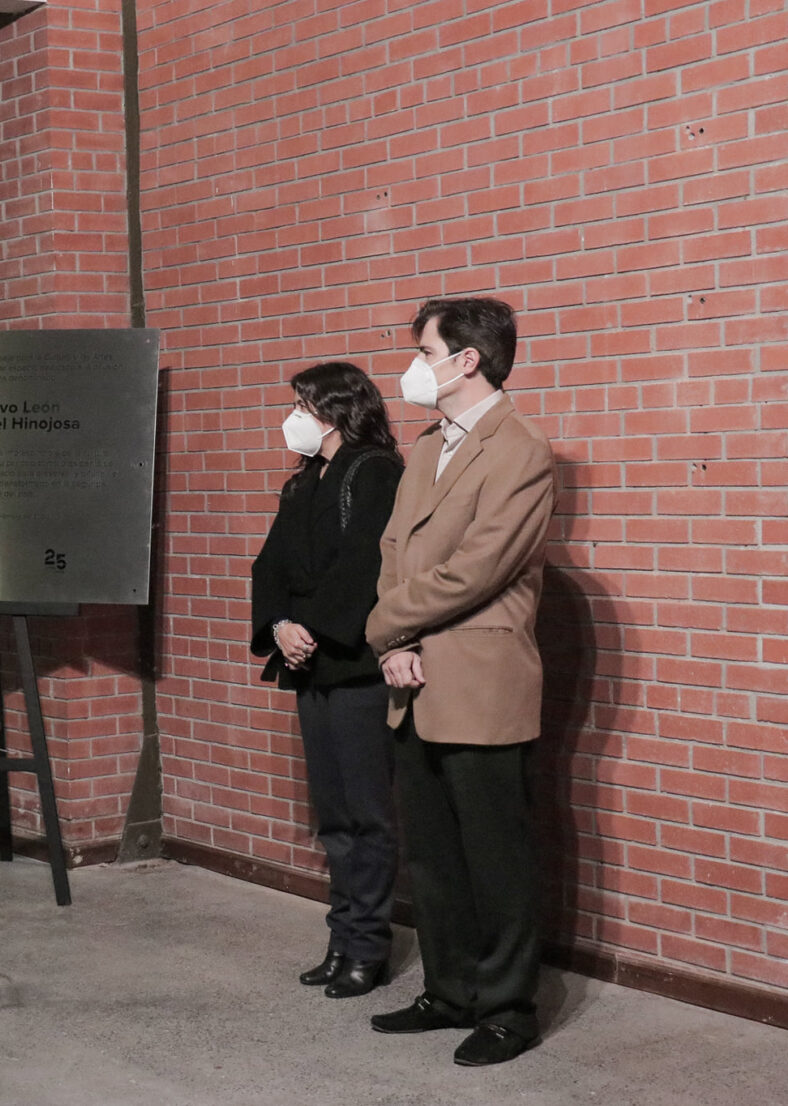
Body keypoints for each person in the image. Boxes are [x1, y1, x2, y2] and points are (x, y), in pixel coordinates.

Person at [364, 297, 556, 1066]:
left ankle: (509, 1009)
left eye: (426, 350)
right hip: (411, 678)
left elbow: (477, 569)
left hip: (479, 682)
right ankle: (449, 992)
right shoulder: (424, 446)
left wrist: (385, 627)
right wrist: (394, 648)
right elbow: (394, 553)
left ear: (467, 359)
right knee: (436, 856)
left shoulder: (521, 449)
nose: (415, 366)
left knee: (495, 857)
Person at [251, 361, 404, 1000]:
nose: (294, 418)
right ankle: (341, 941)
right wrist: (282, 623)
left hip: (354, 662)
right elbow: (271, 564)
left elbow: (364, 564)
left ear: (337, 410)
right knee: (333, 815)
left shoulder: (376, 471)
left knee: (368, 814)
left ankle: (368, 946)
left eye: (303, 405)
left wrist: (308, 626)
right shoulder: (304, 481)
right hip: (309, 660)